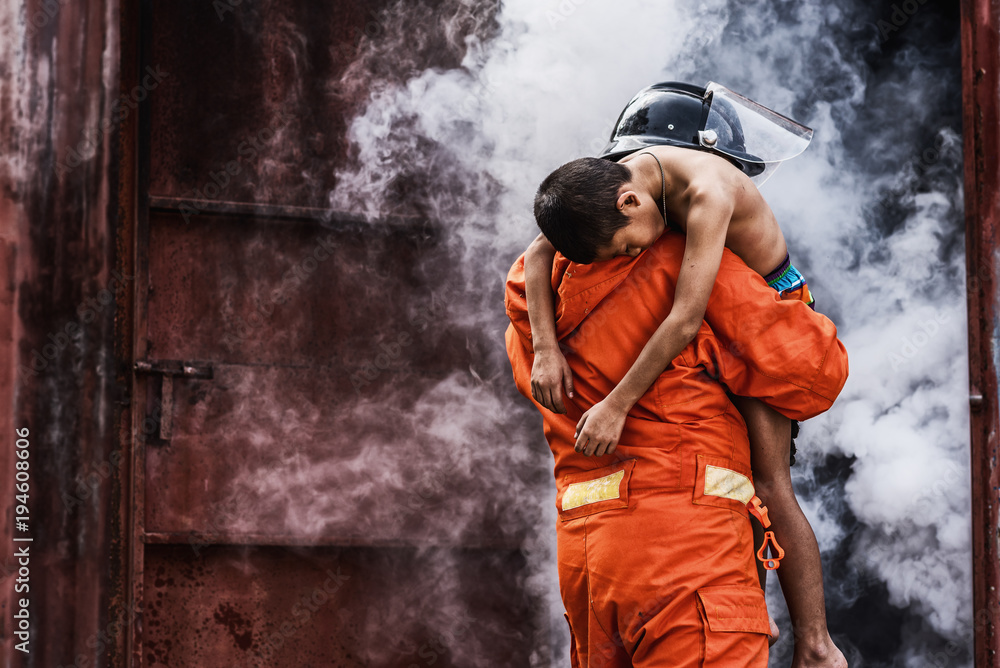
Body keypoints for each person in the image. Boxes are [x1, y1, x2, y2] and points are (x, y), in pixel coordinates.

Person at [519, 82, 847, 666]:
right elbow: (814, 374)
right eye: (621, 252)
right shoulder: (617, 202)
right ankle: (818, 646)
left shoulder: (703, 195)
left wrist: (555, 352)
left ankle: (817, 644)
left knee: (774, 487)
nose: (627, 258)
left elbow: (681, 316)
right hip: (687, 550)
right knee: (773, 483)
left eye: (621, 250)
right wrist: (552, 352)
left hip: (590, 558)